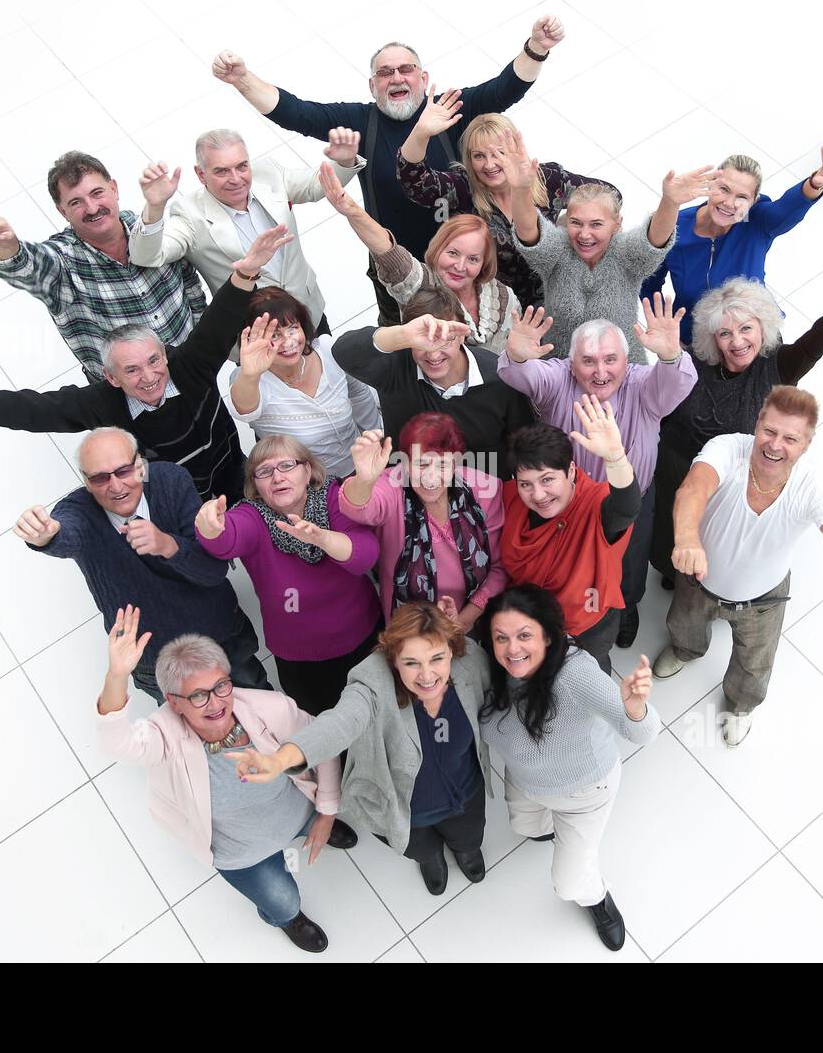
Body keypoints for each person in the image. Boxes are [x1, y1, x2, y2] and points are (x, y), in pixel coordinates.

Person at [0, 228, 291, 507]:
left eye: (152, 362)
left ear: (164, 354)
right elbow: (29, 410)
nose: (148, 377)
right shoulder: (102, 404)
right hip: (177, 501)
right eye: (131, 371)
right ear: (110, 377)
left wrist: (250, 267)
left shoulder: (189, 364)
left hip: (235, 474)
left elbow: (220, 319)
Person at [211, 18, 566, 323]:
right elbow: (295, 112)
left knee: (473, 331)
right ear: (373, 85)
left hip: (465, 262)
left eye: (405, 69)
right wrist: (242, 79)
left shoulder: (449, 109)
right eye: (385, 72)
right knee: (404, 336)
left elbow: (505, 89)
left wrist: (536, 47)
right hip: (397, 264)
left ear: (423, 78)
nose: (396, 77)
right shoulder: (360, 121)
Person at [96, 608, 357, 952]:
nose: (216, 702)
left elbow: (319, 743)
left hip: (297, 811)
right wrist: (116, 676)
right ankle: (286, 918)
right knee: (283, 901)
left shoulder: (271, 708)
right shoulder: (164, 736)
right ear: (174, 703)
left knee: (314, 817)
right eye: (198, 695)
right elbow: (116, 742)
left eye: (221, 686)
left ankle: (308, 826)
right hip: (240, 853)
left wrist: (325, 813)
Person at [218, 603, 494, 897]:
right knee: (419, 847)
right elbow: (339, 723)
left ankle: (465, 850)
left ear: (451, 650)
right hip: (404, 809)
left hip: (465, 794)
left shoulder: (472, 663)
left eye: (437, 658)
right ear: (394, 660)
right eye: (411, 662)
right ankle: (430, 858)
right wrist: (282, 758)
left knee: (469, 836)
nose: (427, 675)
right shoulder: (373, 683)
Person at [655, 386, 823, 747]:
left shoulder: (814, 486)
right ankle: (685, 651)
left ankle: (741, 705)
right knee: (684, 624)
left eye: (790, 439)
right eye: (769, 431)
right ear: (757, 424)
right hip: (699, 577)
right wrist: (687, 539)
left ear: (806, 445)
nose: (775, 445)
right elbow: (694, 489)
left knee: (755, 662)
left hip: (763, 599)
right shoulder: (727, 448)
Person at [650, 242, 823, 586]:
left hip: (735, 477)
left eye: (746, 329)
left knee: (721, 539)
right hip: (678, 466)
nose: (737, 341)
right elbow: (660, 403)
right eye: (725, 333)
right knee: (671, 529)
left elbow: (818, 339)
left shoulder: (778, 364)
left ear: (763, 329)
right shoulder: (692, 365)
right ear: (713, 337)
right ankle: (673, 572)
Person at [13, 428, 269, 700]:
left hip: (220, 636)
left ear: (140, 467)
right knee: (193, 741)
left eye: (123, 471)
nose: (115, 486)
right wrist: (45, 537)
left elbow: (213, 571)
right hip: (156, 661)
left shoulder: (170, 481)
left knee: (266, 714)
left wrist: (167, 545)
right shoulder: (78, 510)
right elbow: (66, 534)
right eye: (100, 478)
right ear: (86, 482)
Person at [499, 301, 696, 647]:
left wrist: (669, 358)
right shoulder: (557, 379)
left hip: (631, 502)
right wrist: (516, 356)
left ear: (626, 360)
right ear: (572, 364)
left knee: (630, 567)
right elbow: (525, 374)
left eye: (610, 360)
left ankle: (627, 607)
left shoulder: (642, 384)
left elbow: (675, 383)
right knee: (576, 567)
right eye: (588, 361)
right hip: (568, 505)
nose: (600, 372)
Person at [482, 585, 658, 951]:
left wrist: (634, 706)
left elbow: (640, 732)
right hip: (527, 778)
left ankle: (597, 899)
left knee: (569, 883)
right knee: (524, 825)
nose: (512, 648)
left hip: (583, 792)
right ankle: (553, 831)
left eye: (524, 635)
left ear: (549, 635)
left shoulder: (575, 674)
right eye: (501, 638)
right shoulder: (496, 669)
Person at [0, 150, 208, 382]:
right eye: (76, 202)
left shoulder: (149, 227)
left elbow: (189, 283)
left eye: (97, 193)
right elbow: (31, 266)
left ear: (114, 189)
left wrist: (204, 341)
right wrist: (7, 249)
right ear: (62, 211)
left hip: (189, 365)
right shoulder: (64, 261)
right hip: (131, 393)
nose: (91, 208)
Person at [194, 435, 382, 716]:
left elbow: (365, 556)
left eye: (287, 465)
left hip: (366, 642)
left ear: (307, 471)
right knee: (327, 742)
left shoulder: (334, 496)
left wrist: (322, 539)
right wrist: (209, 526)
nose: (277, 477)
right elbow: (225, 538)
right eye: (264, 471)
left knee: (382, 725)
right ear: (255, 484)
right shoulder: (252, 516)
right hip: (302, 662)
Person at [498, 128, 715, 361]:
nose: (584, 234)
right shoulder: (558, 250)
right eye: (576, 223)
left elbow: (654, 239)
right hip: (561, 369)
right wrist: (520, 190)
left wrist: (670, 202)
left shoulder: (625, 253)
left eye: (596, 224)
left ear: (616, 224)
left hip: (623, 371)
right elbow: (529, 231)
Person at [130, 127, 365, 333]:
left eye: (242, 167)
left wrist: (344, 162)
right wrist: (155, 206)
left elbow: (315, 185)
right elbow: (148, 255)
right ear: (201, 174)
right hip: (257, 332)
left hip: (308, 309)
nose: (236, 179)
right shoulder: (189, 214)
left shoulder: (269, 173)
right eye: (221, 171)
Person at [397, 106, 617, 307]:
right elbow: (415, 183)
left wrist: (573, 228)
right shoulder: (462, 187)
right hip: (495, 306)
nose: (489, 164)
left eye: (498, 153)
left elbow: (610, 195)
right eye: (479, 156)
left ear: (515, 150)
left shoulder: (547, 178)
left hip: (556, 295)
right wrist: (421, 133)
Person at [639, 138, 823, 345]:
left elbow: (785, 210)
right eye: (724, 189)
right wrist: (661, 322)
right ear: (710, 184)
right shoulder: (676, 227)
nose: (729, 204)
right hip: (697, 338)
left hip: (753, 333)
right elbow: (646, 280)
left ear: (754, 201)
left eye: (742, 197)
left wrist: (816, 183)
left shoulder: (756, 221)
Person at [501, 396, 639, 672]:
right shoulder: (510, 497)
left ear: (571, 471)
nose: (538, 495)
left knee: (589, 679)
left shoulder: (596, 504)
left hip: (587, 627)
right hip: (528, 619)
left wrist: (616, 458)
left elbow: (627, 508)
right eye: (526, 484)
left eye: (548, 479)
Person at [319, 161, 519, 351]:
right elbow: (388, 251)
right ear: (438, 249)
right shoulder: (421, 284)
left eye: (473, 259)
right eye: (453, 253)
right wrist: (352, 211)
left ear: (484, 264)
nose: (460, 266)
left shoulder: (503, 298)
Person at [333, 297, 535, 479]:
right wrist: (401, 334)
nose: (434, 354)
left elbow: (524, 444)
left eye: (445, 339)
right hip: (410, 494)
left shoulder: (500, 377)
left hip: (485, 497)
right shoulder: (394, 368)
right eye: (424, 341)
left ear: (463, 334)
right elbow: (343, 351)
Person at [339, 413, 507, 630]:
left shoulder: (485, 489)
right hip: (408, 627)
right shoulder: (390, 484)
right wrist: (364, 479)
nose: (431, 477)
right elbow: (358, 509)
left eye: (443, 466)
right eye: (422, 465)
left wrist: (464, 620)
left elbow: (499, 569)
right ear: (405, 462)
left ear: (457, 462)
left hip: (476, 620)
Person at [225, 287, 382, 479]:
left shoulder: (327, 349)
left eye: (292, 328)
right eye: (274, 335)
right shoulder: (249, 378)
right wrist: (251, 374)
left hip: (366, 467)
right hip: (310, 487)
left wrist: (377, 442)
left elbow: (358, 394)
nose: (288, 342)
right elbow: (244, 410)